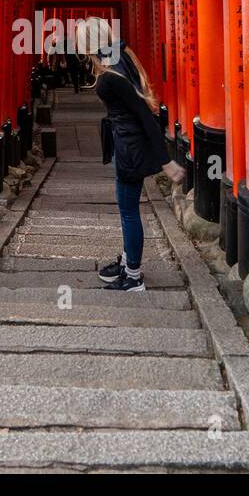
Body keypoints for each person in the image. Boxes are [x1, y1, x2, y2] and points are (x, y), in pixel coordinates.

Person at [74, 16, 185, 292]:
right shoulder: (122, 56)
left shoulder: (111, 76)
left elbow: (144, 116)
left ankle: (133, 275)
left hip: (129, 148)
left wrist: (166, 161)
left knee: (129, 211)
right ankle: (127, 262)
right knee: (128, 208)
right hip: (126, 143)